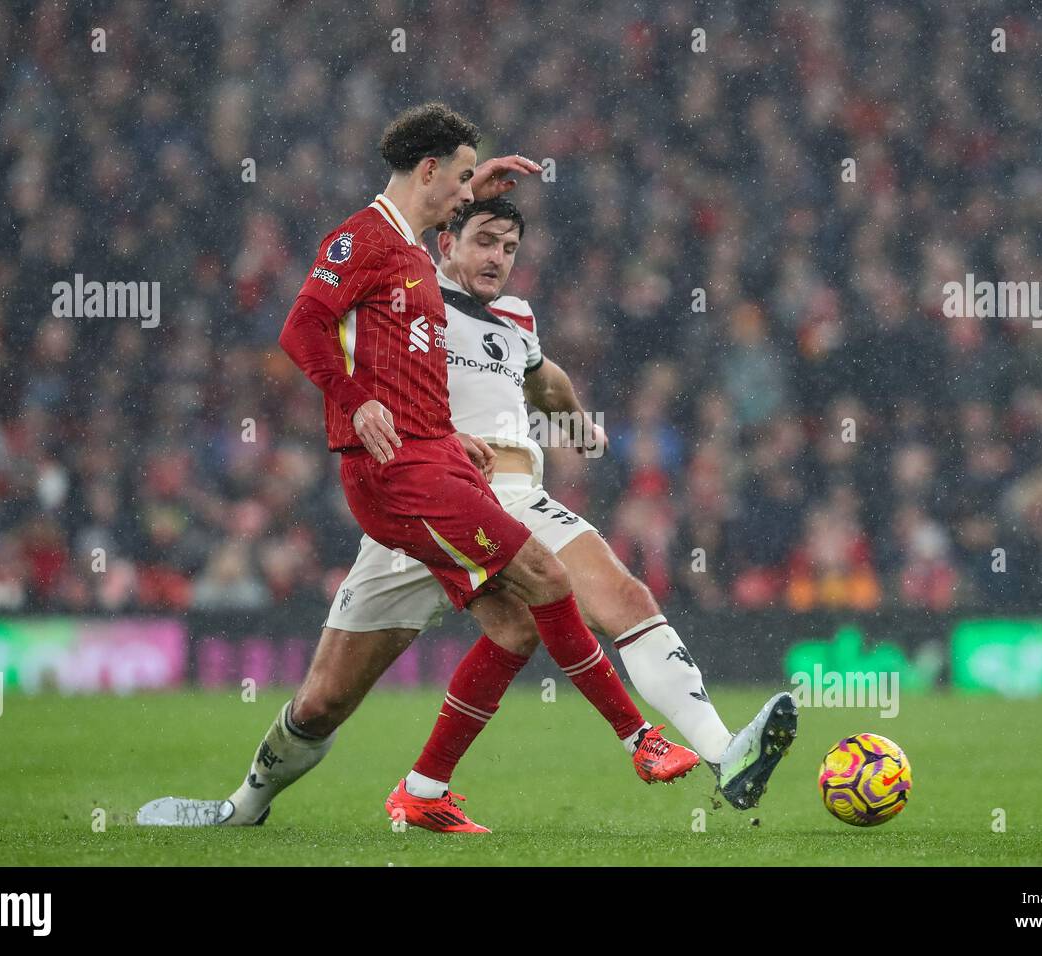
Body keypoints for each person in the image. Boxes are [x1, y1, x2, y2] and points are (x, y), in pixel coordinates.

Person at [137, 103, 699, 834]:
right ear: (429, 171)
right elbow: (302, 326)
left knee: (374, 682)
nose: (468, 193)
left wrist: (446, 434)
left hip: (436, 464)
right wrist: (353, 401)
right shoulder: (363, 239)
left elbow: (414, 355)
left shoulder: (414, 257)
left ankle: (348, 798)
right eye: (460, 179)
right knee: (544, 577)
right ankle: (639, 739)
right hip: (395, 478)